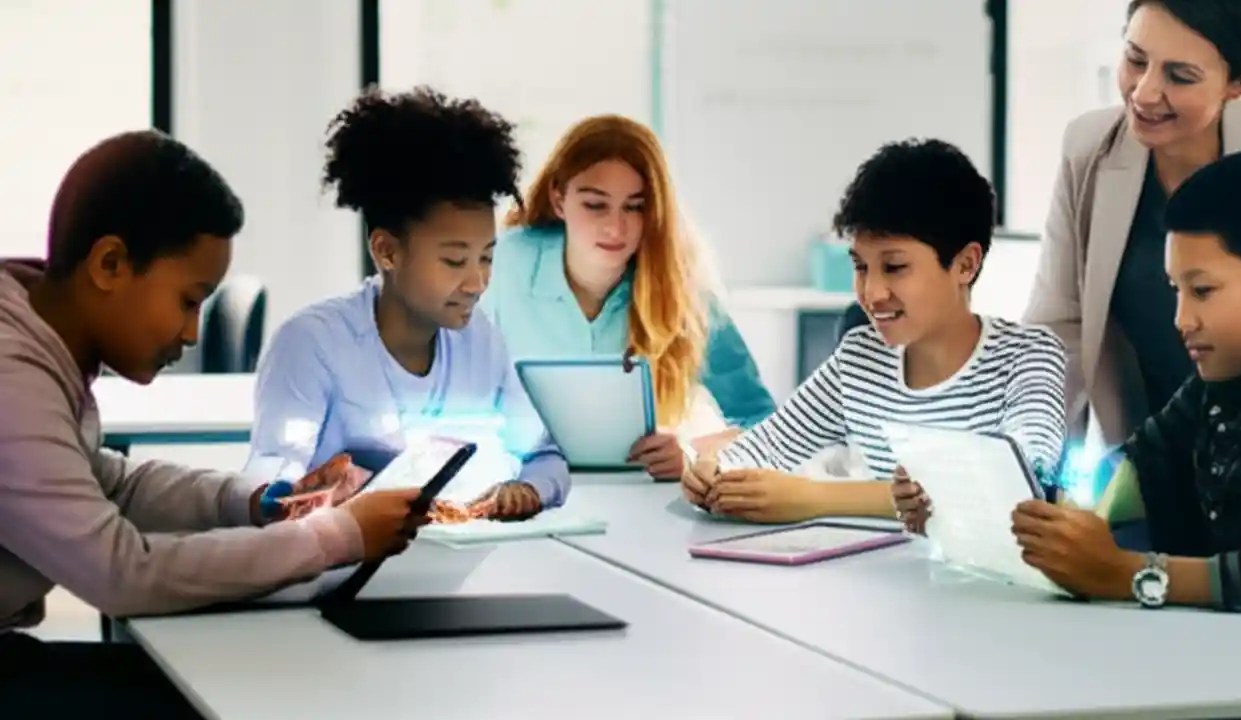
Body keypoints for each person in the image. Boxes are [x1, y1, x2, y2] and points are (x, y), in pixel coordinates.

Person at [0, 131, 426, 716]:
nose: (192, 333)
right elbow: (121, 572)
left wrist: (261, 502)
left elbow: (111, 486)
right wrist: (338, 536)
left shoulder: (36, 340)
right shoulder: (9, 374)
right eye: (188, 299)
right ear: (110, 264)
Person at [682, 139, 1067, 524]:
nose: (872, 293)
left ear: (965, 265)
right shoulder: (859, 358)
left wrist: (818, 498)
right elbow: (765, 447)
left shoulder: (1028, 356)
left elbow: (1018, 481)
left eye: (895, 267)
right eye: (861, 267)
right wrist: (712, 470)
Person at [248, 86, 569, 518]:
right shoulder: (312, 343)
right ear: (387, 252)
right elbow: (270, 473)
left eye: (487, 257)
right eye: (455, 260)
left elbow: (544, 457)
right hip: (341, 573)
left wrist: (527, 489)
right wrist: (296, 495)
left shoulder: (479, 339)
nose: (477, 282)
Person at [1013, 150, 1241, 613]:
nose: (1182, 320)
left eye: (1202, 291)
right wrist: (1054, 520)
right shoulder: (1217, 390)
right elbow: (1139, 464)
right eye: (1176, 291)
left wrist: (1133, 573)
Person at [1024, 0, 1241, 451]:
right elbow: (1057, 327)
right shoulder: (1090, 149)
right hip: (1150, 451)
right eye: (1136, 60)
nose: (1143, 93)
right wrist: (1036, 460)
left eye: (1179, 76)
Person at [484, 115, 775, 480]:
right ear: (560, 199)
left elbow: (764, 424)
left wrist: (689, 452)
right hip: (518, 486)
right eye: (595, 205)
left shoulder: (682, 290)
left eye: (634, 206)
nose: (615, 227)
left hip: (635, 496)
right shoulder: (499, 263)